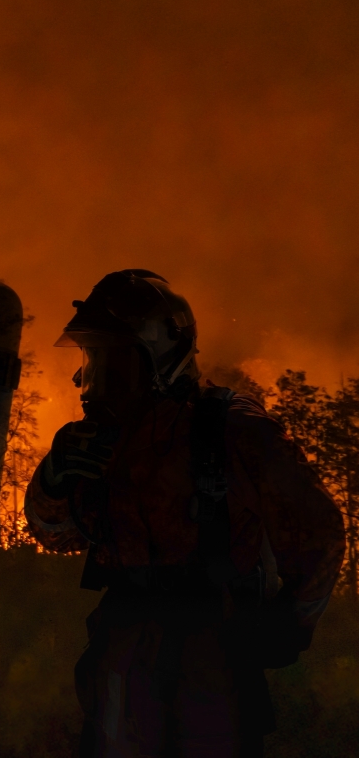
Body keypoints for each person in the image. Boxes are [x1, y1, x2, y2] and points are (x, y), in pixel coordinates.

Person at [25, 270, 344, 757]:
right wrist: (55, 476)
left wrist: (287, 626)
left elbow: (318, 532)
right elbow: (59, 536)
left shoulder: (235, 429)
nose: (90, 376)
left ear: (161, 359)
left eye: (112, 359)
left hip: (212, 659)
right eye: (93, 356)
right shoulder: (94, 442)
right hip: (122, 657)